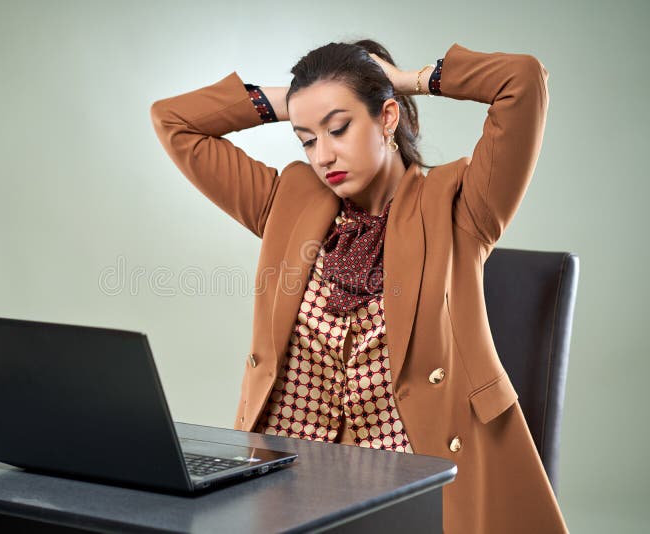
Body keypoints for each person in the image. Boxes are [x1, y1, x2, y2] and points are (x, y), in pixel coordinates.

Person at [151, 40, 567, 534]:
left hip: (410, 491)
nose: (323, 155)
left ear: (387, 118)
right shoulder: (290, 200)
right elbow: (172, 120)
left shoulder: (457, 206)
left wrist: (409, 79)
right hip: (285, 490)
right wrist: (297, 100)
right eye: (306, 139)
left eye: (340, 128)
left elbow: (521, 80)